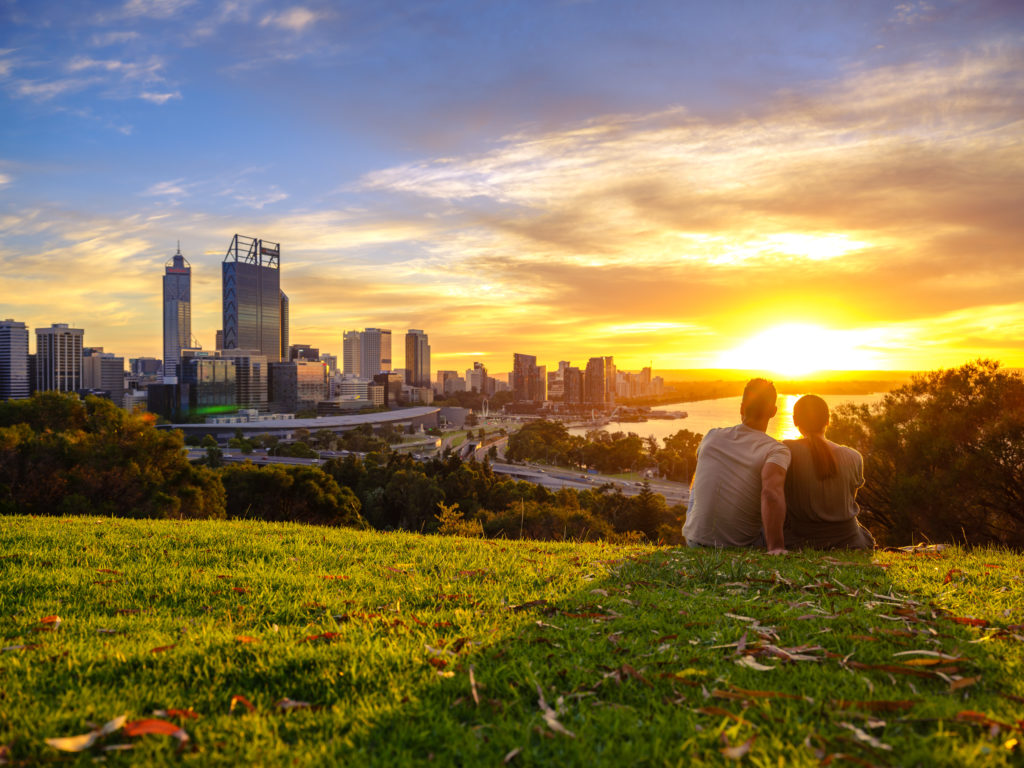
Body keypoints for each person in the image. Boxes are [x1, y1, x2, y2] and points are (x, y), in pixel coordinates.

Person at [682, 378, 789, 553]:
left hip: (693, 541)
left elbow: (698, 480)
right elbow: (771, 494)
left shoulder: (712, 436)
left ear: (741, 408)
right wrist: (776, 547)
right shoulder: (775, 449)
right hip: (739, 547)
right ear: (773, 411)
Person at [782, 394, 874, 550]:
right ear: (828, 421)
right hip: (850, 540)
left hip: (802, 540)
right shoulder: (854, 457)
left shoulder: (786, 451)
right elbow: (848, 500)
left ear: (795, 421)